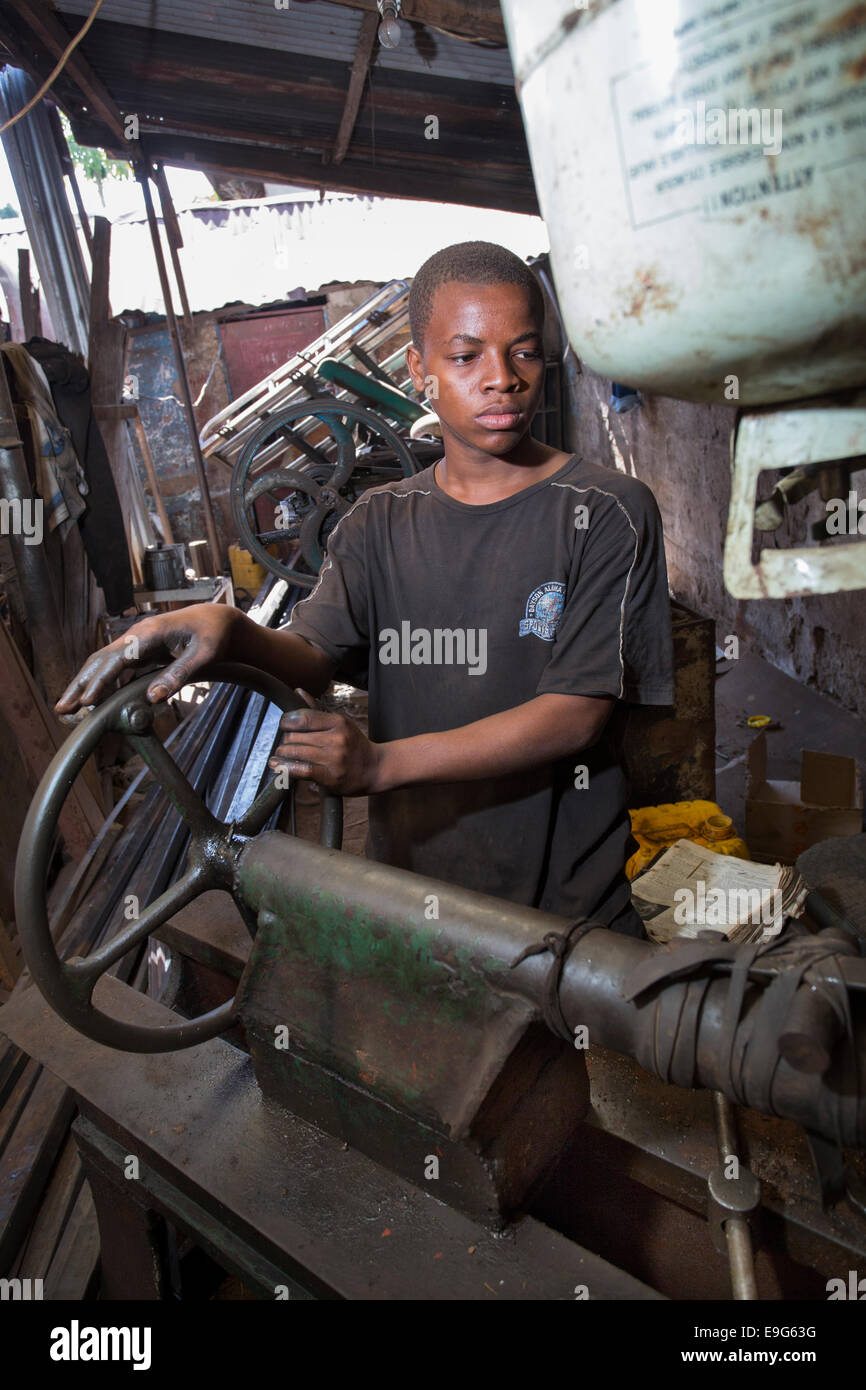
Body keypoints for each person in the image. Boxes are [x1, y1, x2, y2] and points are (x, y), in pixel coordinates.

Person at [56, 241, 674, 935]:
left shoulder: (608, 509)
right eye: (465, 357)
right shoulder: (378, 521)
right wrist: (228, 628)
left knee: (541, 1045)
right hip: (412, 888)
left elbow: (576, 714)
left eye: (524, 352)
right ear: (419, 371)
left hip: (564, 907)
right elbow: (313, 652)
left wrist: (380, 765)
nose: (501, 378)